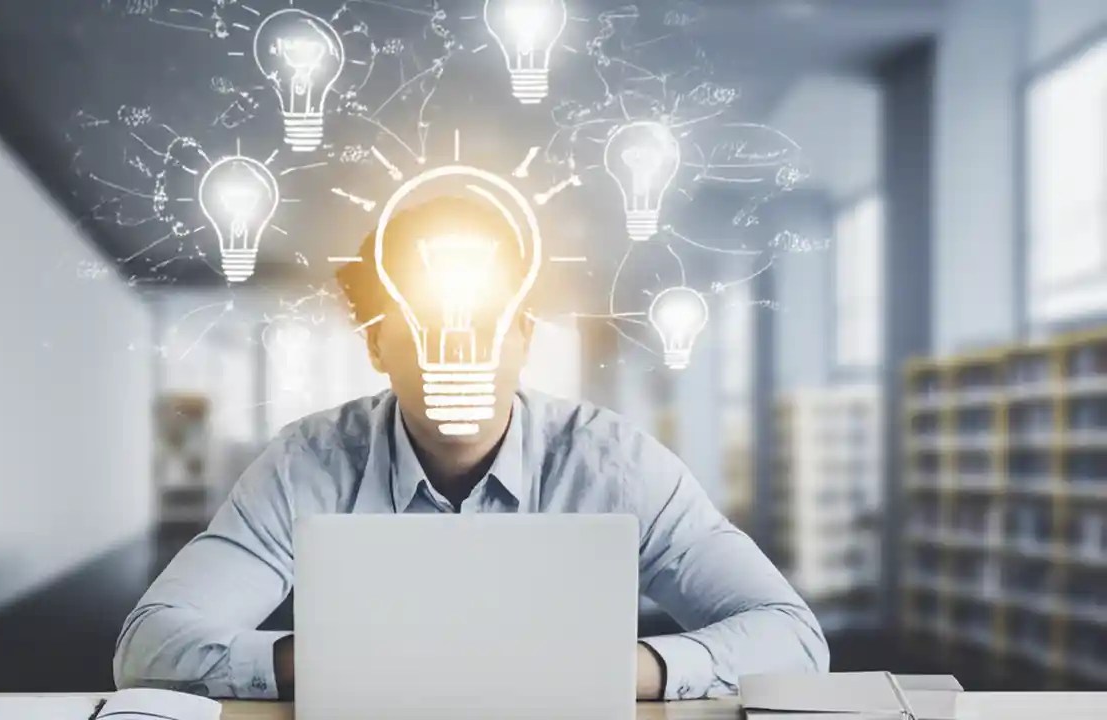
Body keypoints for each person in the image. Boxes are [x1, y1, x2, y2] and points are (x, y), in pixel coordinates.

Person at [113, 195, 829, 701]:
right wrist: (339, 663)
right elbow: (149, 646)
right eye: (424, 326)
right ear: (374, 343)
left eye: (485, 324)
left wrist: (616, 669)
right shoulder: (308, 462)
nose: (457, 353)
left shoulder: (616, 462)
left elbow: (794, 639)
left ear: (523, 335)